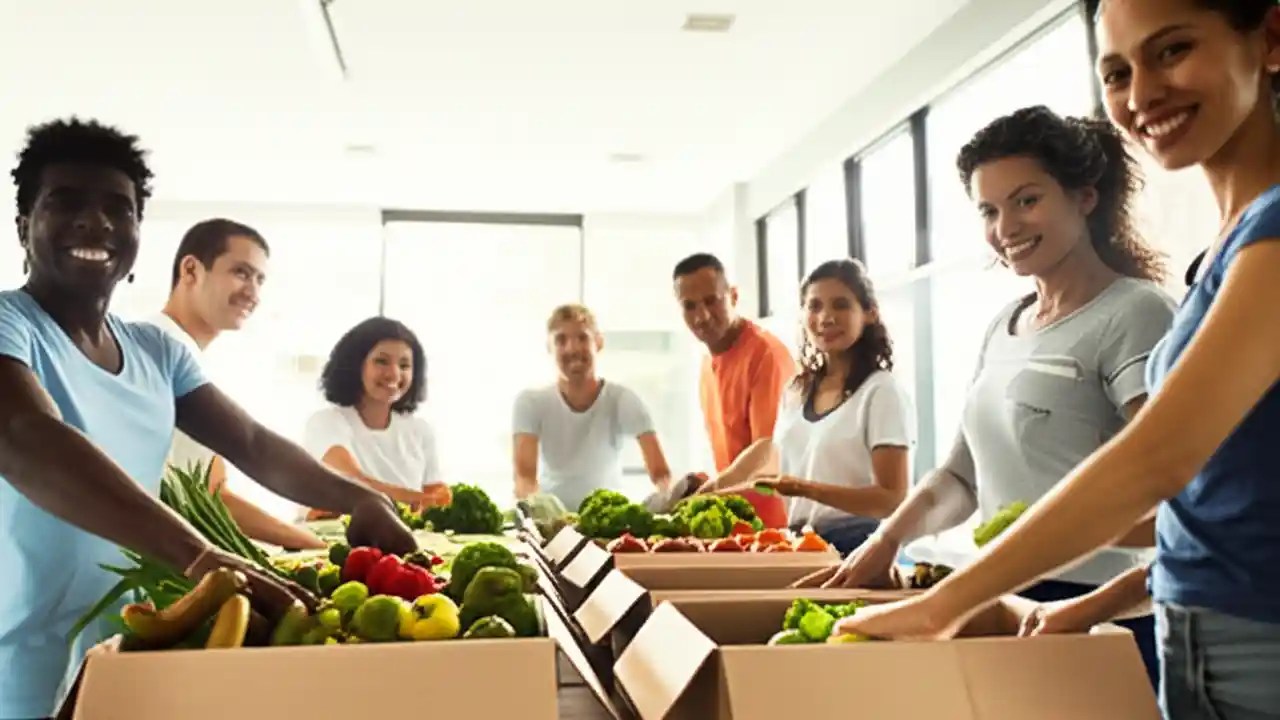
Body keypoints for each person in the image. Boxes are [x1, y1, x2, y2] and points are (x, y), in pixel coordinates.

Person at [831, 3, 1280, 717]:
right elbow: (1207, 500)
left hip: (1249, 641)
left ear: (1271, 41)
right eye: (1117, 72)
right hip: (1188, 626)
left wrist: (944, 604)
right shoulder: (1223, 255)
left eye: (1172, 52)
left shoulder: (1251, 247)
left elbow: (1159, 464)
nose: (1141, 95)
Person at [0, 118, 415, 720]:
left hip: (130, 650)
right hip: (20, 666)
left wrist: (360, 499)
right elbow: (26, 439)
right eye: (66, 203)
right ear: (23, 226)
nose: (97, 222)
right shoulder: (12, 325)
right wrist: (203, 558)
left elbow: (250, 442)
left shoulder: (156, 350)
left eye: (120, 208)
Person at [796, 105, 1177, 685]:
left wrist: (1054, 536)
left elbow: (1173, 489)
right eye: (989, 210)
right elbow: (961, 478)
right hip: (1007, 598)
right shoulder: (1005, 324)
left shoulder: (1135, 313)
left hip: (1101, 612)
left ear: (1085, 197)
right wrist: (886, 539)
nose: (1007, 228)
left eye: (1027, 200)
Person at [707, 259, 914, 554]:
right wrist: (711, 495)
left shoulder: (881, 391)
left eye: (840, 305)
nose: (826, 317)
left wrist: (807, 489)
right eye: (814, 306)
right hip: (802, 544)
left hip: (863, 546)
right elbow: (779, 478)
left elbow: (891, 498)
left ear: (869, 313)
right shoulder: (796, 391)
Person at [149, 218, 325, 550]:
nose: (253, 292)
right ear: (191, 270)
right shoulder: (159, 347)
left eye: (260, 279)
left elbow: (210, 484)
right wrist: (317, 546)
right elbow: (212, 496)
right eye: (241, 273)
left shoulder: (185, 355)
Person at [512, 303, 672, 510]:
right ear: (549, 347)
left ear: (598, 342)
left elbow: (661, 474)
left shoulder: (623, 399)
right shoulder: (530, 402)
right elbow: (524, 479)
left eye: (582, 338)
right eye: (561, 340)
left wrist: (665, 500)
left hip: (610, 522)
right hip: (552, 525)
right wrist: (544, 515)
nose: (573, 348)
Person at [673, 252, 791, 529]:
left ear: (734, 296)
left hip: (774, 526)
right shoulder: (707, 364)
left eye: (711, 301)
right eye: (689, 306)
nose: (701, 316)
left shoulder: (766, 353)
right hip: (737, 522)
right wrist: (704, 485)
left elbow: (768, 448)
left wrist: (712, 490)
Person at [302, 316, 450, 519]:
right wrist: (416, 500)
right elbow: (350, 481)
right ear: (355, 365)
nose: (394, 374)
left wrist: (435, 500)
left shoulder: (420, 430)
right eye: (382, 361)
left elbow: (438, 496)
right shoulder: (326, 422)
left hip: (402, 543)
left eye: (405, 365)